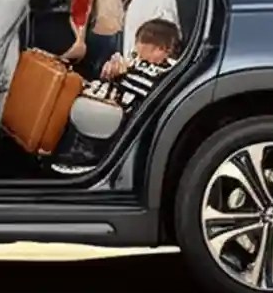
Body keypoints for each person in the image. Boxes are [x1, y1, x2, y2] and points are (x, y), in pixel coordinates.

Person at [49, 18, 181, 175]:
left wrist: (122, 76)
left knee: (95, 105)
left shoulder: (163, 70)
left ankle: (90, 154)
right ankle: (75, 148)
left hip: (127, 109)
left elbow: (142, 86)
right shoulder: (141, 62)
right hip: (119, 99)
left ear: (160, 49)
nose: (137, 54)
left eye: (142, 48)